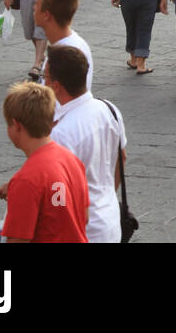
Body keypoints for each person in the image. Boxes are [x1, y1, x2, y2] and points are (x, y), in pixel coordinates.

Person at [45, 45, 127, 243]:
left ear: (56, 86)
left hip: (84, 231)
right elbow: (121, 158)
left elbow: (59, 198)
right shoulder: (109, 109)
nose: (43, 82)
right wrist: (104, 195)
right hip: (110, 220)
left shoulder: (61, 133)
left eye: (45, 77)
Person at [0, 82, 89, 242]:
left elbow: (18, 240)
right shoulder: (71, 160)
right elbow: (84, 217)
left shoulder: (26, 180)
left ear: (16, 125)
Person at [36, 0, 94, 93]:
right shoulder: (66, 44)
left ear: (46, 15)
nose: (34, 8)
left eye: (36, 5)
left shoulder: (67, 52)